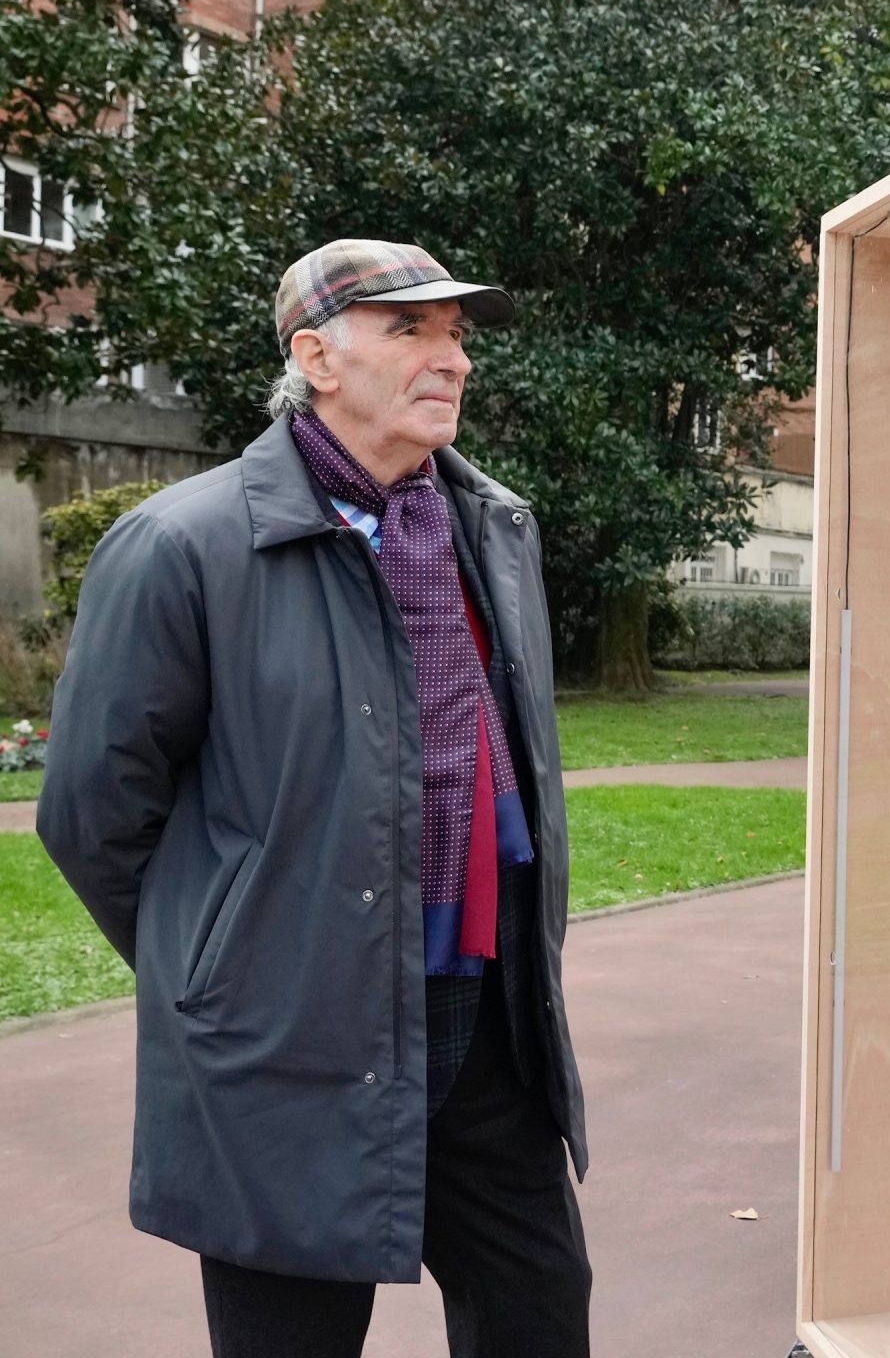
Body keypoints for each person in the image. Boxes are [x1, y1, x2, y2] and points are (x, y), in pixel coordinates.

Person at [37, 238, 592, 1358]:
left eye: (457, 335)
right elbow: (94, 814)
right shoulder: (182, 545)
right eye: (411, 330)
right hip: (290, 1043)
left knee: (539, 1310)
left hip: (488, 1018)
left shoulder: (496, 528)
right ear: (316, 358)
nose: (452, 359)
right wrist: (226, 964)